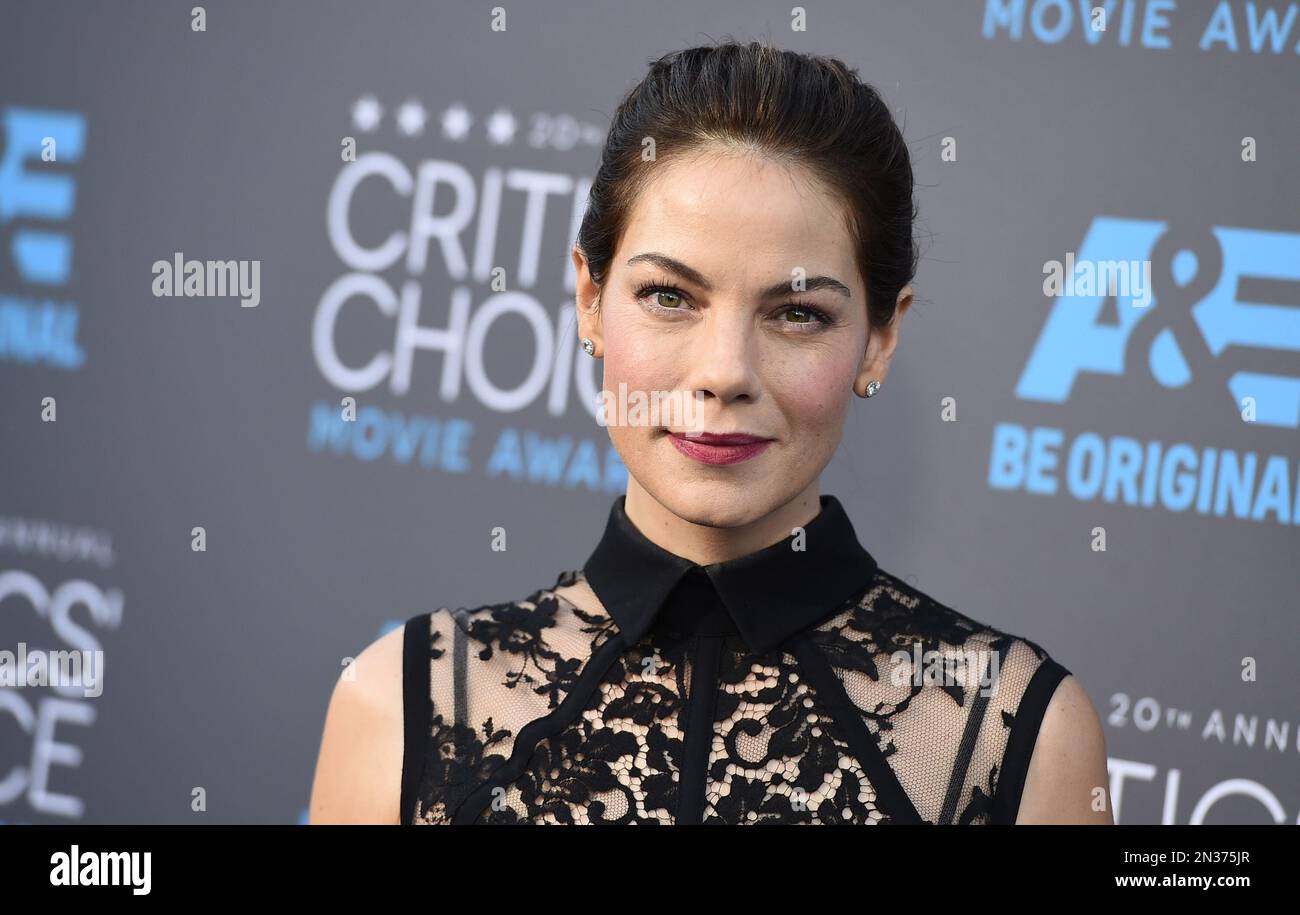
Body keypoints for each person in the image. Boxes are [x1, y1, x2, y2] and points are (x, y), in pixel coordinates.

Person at [309, 40, 1112, 825]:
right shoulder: (402, 703)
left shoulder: (1014, 733)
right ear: (590, 300)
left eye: (797, 313)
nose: (724, 372)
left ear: (878, 337)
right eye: (669, 296)